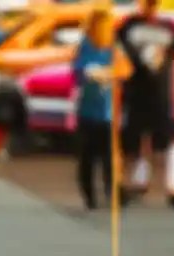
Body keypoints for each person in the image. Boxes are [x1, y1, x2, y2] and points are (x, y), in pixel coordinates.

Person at [115, 0, 174, 206]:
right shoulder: (129, 26)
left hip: (159, 94)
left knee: (161, 143)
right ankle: (124, 185)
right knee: (131, 143)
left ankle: (165, 188)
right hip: (136, 93)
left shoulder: (168, 28)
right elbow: (120, 52)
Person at [72, 4, 116, 210]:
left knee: (109, 156)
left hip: (108, 111)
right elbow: (79, 72)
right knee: (88, 156)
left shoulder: (113, 47)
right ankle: (89, 194)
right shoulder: (87, 46)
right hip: (89, 110)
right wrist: (95, 73)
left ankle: (112, 191)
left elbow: (122, 70)